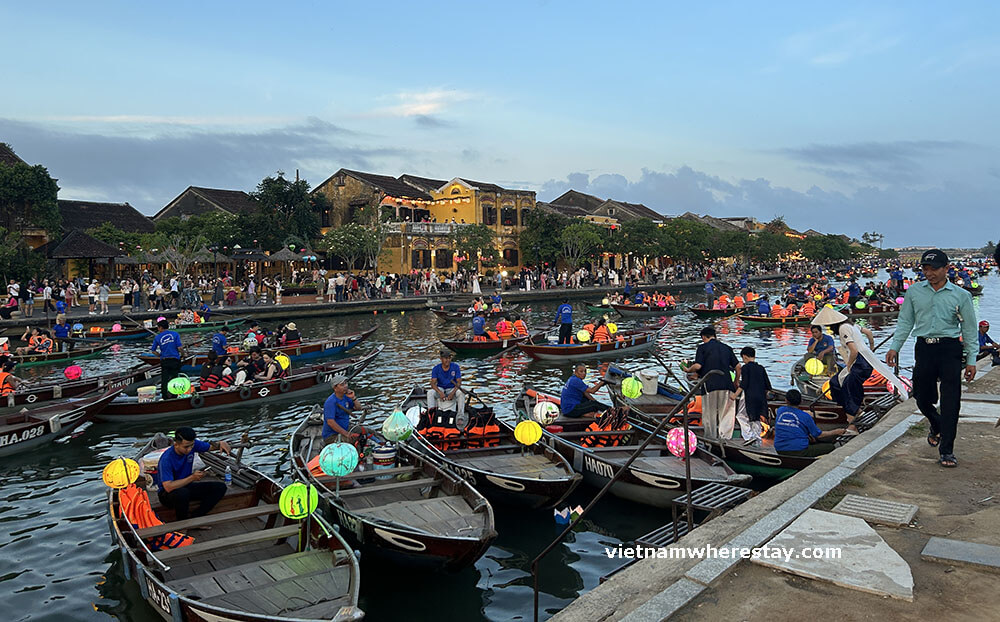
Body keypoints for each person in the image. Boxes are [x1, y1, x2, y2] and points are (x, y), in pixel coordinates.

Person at [887, 248, 977, 468]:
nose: (929, 273)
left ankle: (947, 450)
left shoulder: (961, 295)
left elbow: (970, 329)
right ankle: (936, 424)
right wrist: (895, 347)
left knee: (951, 400)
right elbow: (905, 322)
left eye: (934, 269)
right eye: (926, 269)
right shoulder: (914, 292)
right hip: (924, 348)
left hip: (949, 349)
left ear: (946, 268)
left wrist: (971, 360)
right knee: (921, 396)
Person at [156, 427, 231, 521]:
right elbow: (168, 487)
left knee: (220, 487)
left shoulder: (192, 445)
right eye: (186, 447)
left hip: (186, 486)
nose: (190, 449)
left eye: (192, 446)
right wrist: (192, 478)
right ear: (176, 444)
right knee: (182, 493)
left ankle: (196, 517)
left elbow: (211, 447)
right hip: (168, 494)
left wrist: (221, 443)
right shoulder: (166, 459)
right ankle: (183, 522)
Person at [685, 326, 739, 439]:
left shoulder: (702, 348)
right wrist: (736, 382)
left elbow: (698, 366)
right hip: (727, 385)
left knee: (709, 414)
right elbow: (738, 367)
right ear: (715, 336)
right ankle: (725, 438)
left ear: (704, 337)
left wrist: (688, 370)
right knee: (726, 414)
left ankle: (710, 438)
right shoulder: (727, 348)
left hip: (709, 385)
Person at [774, 389, 846, 456]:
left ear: (786, 400)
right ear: (801, 401)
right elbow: (818, 435)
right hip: (798, 450)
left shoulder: (780, 410)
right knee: (830, 447)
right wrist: (836, 432)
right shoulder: (805, 416)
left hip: (779, 448)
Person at [730, 346, 771, 447]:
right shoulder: (761, 368)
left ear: (744, 357)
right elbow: (768, 385)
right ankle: (757, 439)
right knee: (756, 418)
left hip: (749, 396)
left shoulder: (745, 368)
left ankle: (749, 436)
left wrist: (735, 395)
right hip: (761, 396)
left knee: (741, 416)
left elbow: (744, 384)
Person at [322, 375, 363, 445]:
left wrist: (353, 398)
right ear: (335, 388)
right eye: (342, 385)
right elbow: (330, 422)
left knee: (366, 431)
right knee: (356, 440)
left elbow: (358, 408)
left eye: (346, 383)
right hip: (332, 435)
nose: (345, 386)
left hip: (345, 428)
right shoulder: (330, 402)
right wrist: (347, 434)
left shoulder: (346, 397)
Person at [150, 319, 183, 399]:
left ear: (161, 327)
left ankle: (164, 396)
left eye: (158, 328)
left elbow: (153, 351)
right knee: (175, 378)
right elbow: (180, 348)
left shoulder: (158, 337)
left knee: (164, 379)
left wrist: (160, 355)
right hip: (175, 359)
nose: (158, 329)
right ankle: (175, 396)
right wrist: (183, 354)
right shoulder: (175, 334)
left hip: (165, 360)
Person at [429, 349, 466, 414]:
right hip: (441, 388)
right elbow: (433, 384)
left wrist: (452, 393)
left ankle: (460, 415)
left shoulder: (455, 367)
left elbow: (459, 382)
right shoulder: (436, 368)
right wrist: (440, 392)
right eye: (446, 358)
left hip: (452, 388)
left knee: (461, 393)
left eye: (449, 358)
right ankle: (431, 414)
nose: (448, 360)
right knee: (430, 393)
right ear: (441, 359)